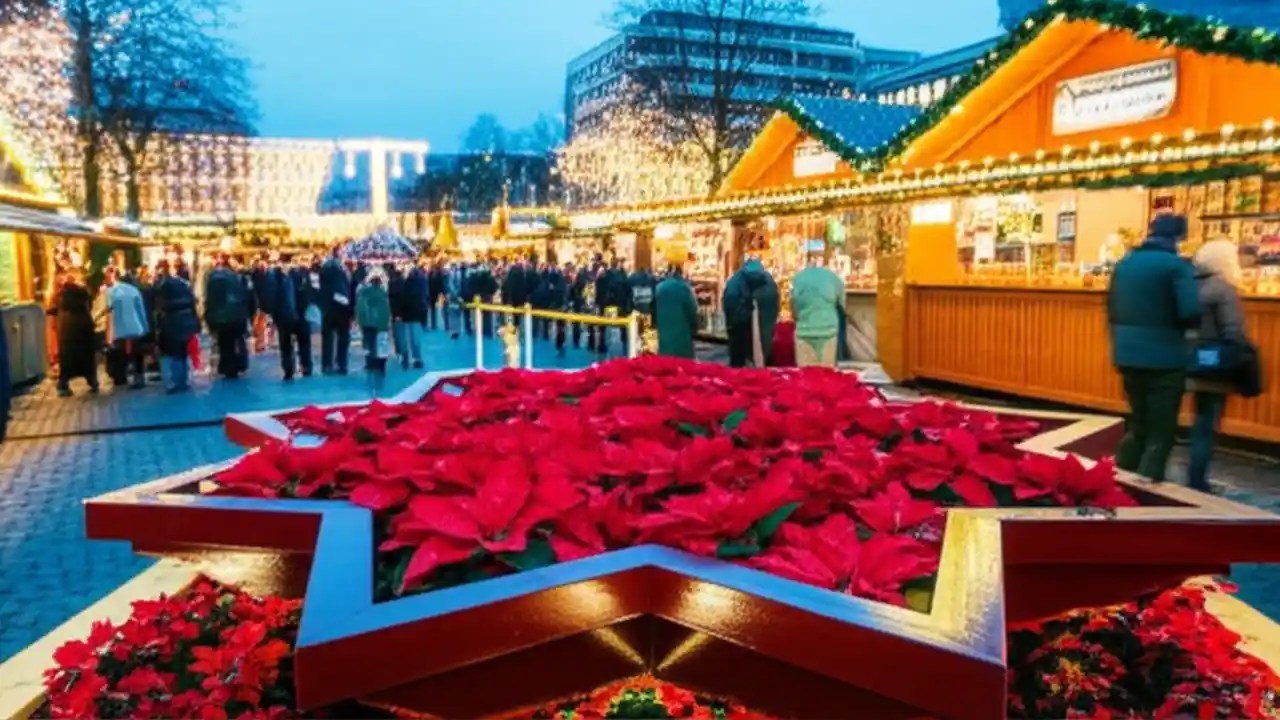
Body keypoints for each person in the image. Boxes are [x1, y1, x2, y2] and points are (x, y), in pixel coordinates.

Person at [1107, 214, 1202, 483]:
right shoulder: (1176, 266)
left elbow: (1112, 308)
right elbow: (1191, 311)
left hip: (1127, 355)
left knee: (1138, 424)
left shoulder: (1125, 264)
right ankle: (1147, 488)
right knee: (1160, 431)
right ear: (1177, 237)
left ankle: (1118, 480)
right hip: (1165, 359)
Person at [1186, 239, 1252, 492]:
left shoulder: (1191, 286)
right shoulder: (1224, 291)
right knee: (1207, 426)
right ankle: (1198, 482)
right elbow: (1233, 331)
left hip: (1193, 361)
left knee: (1199, 421)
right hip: (1215, 365)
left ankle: (1194, 477)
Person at [722, 256, 780, 368]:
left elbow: (728, 302)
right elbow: (775, 305)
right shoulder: (769, 281)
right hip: (764, 327)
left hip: (739, 326)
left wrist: (730, 324)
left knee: (739, 362)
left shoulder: (735, 280)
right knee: (762, 356)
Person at [153, 262, 200, 393]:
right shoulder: (185, 289)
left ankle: (171, 382)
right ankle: (182, 381)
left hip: (169, 326)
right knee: (183, 352)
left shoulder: (162, 293)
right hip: (186, 324)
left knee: (169, 353)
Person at [790, 260, 846, 368]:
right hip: (828, 331)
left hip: (804, 332)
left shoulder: (798, 279)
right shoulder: (834, 279)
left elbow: (794, 309)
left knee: (805, 374)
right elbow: (842, 305)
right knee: (826, 373)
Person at [51, 271, 98, 396]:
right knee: (87, 358)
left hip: (67, 330)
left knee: (66, 359)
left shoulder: (62, 295)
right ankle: (92, 380)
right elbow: (90, 302)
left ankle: (63, 384)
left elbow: (57, 307)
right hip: (83, 328)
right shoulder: (83, 293)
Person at [203, 255, 250, 380]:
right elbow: (246, 296)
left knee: (224, 343)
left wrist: (209, 318)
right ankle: (240, 364)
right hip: (237, 315)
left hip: (219, 317)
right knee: (238, 340)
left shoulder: (211, 279)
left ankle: (226, 367)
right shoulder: (237, 278)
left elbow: (210, 301)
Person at [103, 268, 150, 388]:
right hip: (135, 326)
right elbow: (141, 310)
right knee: (137, 352)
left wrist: (108, 333)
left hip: (119, 328)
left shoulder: (112, 292)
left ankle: (121, 378)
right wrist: (145, 326)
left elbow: (109, 312)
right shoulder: (135, 291)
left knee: (120, 353)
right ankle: (139, 376)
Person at [318, 249, 353, 374]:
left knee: (327, 337)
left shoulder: (324, 271)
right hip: (341, 308)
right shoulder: (340, 272)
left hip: (327, 308)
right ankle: (341, 363)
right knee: (343, 337)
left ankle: (327, 364)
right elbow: (344, 290)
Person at [357, 268, 392, 390]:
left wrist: (361, 322)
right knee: (380, 345)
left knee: (369, 345)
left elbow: (360, 308)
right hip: (380, 324)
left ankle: (370, 363)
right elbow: (386, 310)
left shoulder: (364, 293)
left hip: (367, 323)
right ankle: (380, 365)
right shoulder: (383, 294)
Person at [654, 264, 698, 359]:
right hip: (682, 341)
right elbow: (692, 312)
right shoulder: (684, 289)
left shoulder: (659, 288)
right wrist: (694, 330)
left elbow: (654, 312)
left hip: (664, 340)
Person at [401, 263, 430, 368]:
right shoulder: (420, 285)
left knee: (406, 338)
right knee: (416, 338)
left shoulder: (405, 284)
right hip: (416, 315)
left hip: (406, 315)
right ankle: (417, 358)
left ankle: (406, 358)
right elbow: (424, 299)